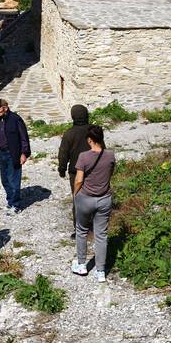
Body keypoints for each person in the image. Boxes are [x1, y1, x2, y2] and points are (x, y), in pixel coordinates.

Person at [71, 125, 115, 282]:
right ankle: (101, 271)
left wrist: (75, 195)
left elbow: (79, 180)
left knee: (81, 230)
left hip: (86, 198)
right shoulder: (110, 155)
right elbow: (110, 173)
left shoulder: (83, 157)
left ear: (90, 140)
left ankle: (82, 265)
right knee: (101, 235)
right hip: (104, 199)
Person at [57, 104, 91, 237]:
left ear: (73, 117)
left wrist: (61, 169)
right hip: (94, 170)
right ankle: (93, 226)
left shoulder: (69, 134)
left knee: (78, 199)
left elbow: (63, 154)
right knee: (94, 197)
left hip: (76, 173)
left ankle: (79, 230)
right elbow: (102, 149)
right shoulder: (94, 131)